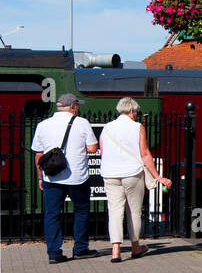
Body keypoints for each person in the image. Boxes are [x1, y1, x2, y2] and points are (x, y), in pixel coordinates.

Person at [100, 97, 172, 261]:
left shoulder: (107, 128)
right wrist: (157, 176)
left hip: (110, 174)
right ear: (131, 111)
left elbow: (103, 151)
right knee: (133, 211)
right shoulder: (137, 127)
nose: (137, 115)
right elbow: (145, 154)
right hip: (132, 173)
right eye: (137, 113)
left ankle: (116, 251)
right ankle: (135, 247)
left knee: (115, 211)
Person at [31, 93, 100, 264]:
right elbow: (92, 148)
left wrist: (41, 177)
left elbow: (38, 155)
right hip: (77, 177)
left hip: (52, 178)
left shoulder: (43, 125)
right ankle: (80, 249)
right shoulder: (82, 123)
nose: (78, 109)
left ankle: (54, 253)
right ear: (73, 107)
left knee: (51, 215)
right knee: (81, 211)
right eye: (78, 106)